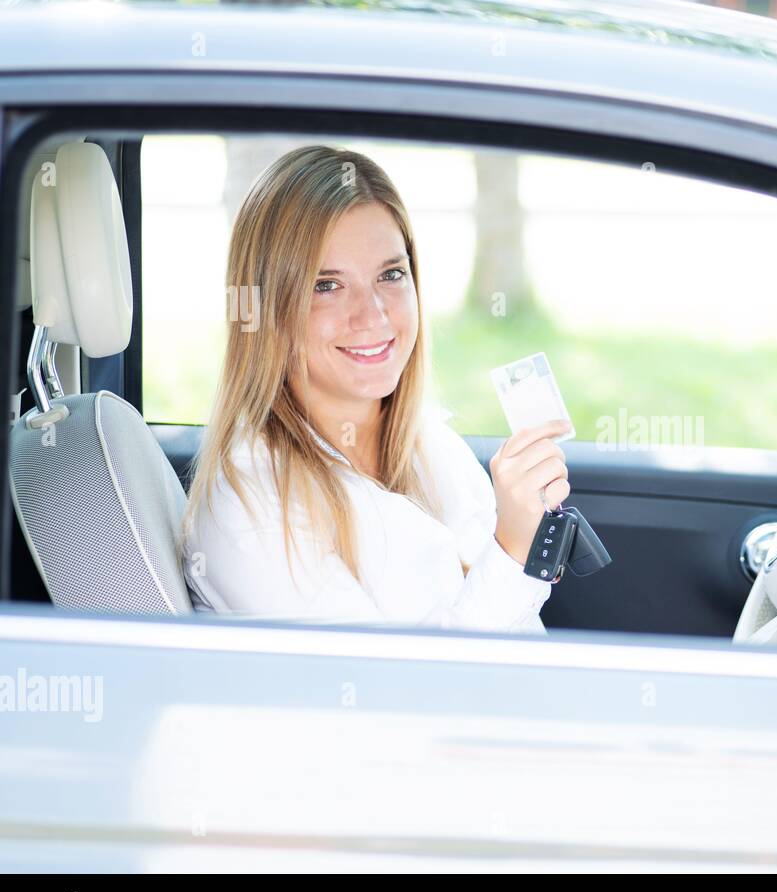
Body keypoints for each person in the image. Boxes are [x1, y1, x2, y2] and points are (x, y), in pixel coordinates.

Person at [180, 145, 570, 634]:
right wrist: (513, 549)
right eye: (327, 285)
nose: (374, 315)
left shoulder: (430, 444)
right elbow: (390, 697)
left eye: (390, 275)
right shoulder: (251, 505)